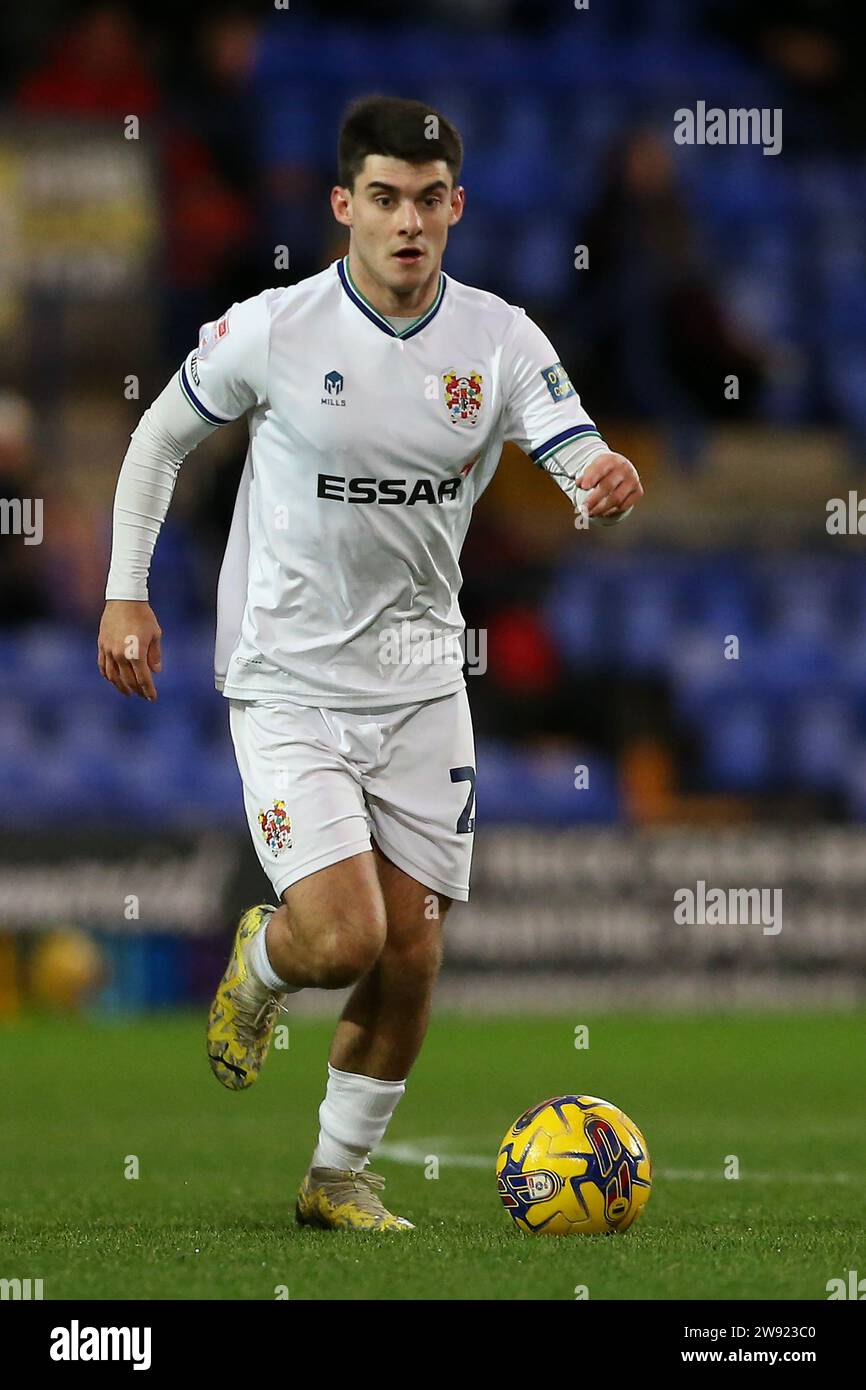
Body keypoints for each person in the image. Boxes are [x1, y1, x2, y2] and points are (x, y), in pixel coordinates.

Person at [97, 94, 643, 1232]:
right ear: (343, 206)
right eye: (384, 200)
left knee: (414, 949)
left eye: (429, 200)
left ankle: (335, 1175)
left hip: (420, 680)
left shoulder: (496, 339)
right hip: (289, 678)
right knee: (345, 937)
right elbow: (158, 437)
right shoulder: (275, 330)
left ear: (457, 207)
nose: (408, 223)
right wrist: (126, 590)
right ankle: (261, 963)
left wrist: (598, 472)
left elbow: (565, 432)